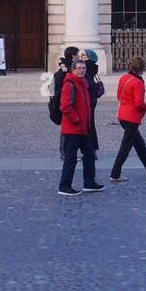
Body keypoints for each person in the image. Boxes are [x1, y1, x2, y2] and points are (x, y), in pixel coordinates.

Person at [58, 60, 103, 195]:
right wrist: (76, 120)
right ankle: (64, 186)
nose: (82, 70)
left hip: (83, 128)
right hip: (73, 128)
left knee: (89, 154)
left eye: (83, 68)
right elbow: (65, 107)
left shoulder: (83, 83)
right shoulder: (70, 84)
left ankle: (89, 183)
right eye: (79, 68)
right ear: (73, 69)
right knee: (70, 159)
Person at [110, 57, 146, 181]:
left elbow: (118, 96)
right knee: (125, 147)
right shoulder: (138, 83)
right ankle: (115, 174)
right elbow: (139, 104)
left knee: (139, 144)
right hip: (132, 118)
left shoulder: (123, 78)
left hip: (122, 115)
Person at [83, 49, 103, 153]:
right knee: (91, 123)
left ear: (88, 57)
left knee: (89, 123)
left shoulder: (87, 66)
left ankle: (91, 149)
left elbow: (88, 83)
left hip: (89, 98)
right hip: (92, 98)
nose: (82, 56)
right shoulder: (91, 66)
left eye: (84, 55)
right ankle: (92, 148)